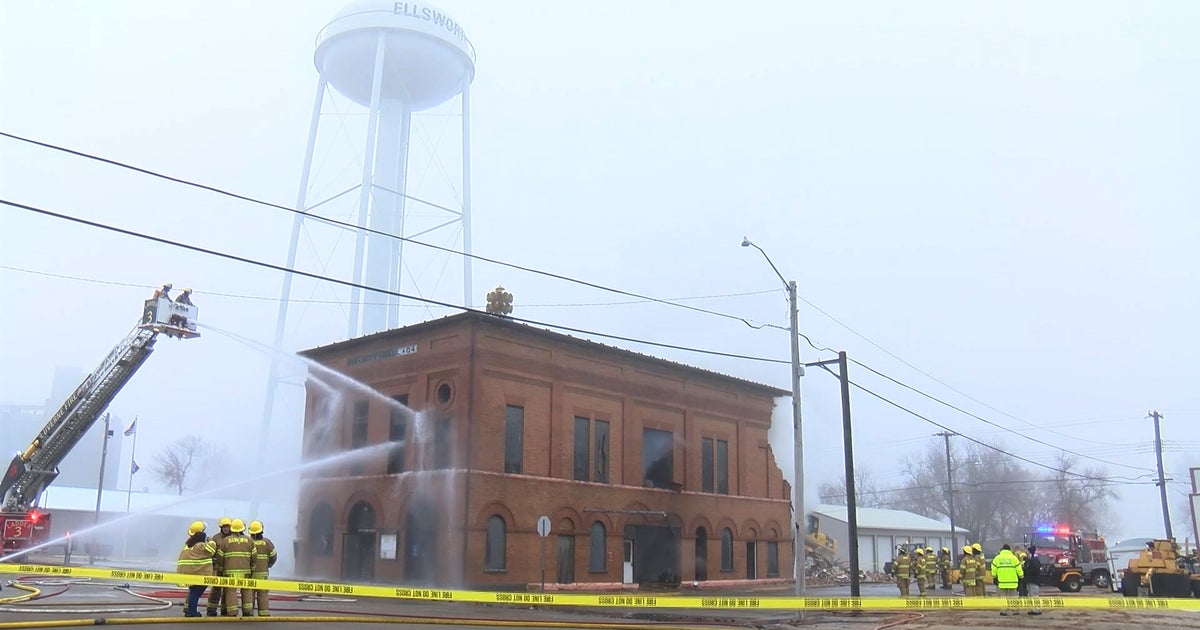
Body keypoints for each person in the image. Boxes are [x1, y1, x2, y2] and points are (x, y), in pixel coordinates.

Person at [215, 519, 257, 617]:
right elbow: (254, 557)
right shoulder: (249, 540)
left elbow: (220, 557)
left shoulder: (226, 540)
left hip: (230, 572)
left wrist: (220, 568)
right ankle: (247, 612)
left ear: (232, 529)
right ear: (243, 528)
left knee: (231, 592)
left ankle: (232, 612)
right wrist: (252, 567)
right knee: (246, 591)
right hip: (246, 571)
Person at [176, 529, 216, 617]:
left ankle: (190, 611)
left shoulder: (188, 546)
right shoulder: (200, 545)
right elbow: (211, 550)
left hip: (189, 574)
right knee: (195, 593)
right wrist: (211, 540)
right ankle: (192, 612)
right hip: (199, 574)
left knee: (193, 592)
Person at [248, 520, 277, 617]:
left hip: (250, 573)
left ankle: (249, 613)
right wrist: (268, 565)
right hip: (263, 574)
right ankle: (263, 614)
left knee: (249, 594)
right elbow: (273, 557)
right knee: (263, 594)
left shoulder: (249, 542)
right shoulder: (267, 542)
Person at [206, 517, 233, 616]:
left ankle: (224, 609)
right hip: (218, 567)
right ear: (221, 528)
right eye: (224, 527)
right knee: (216, 590)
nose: (226, 529)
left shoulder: (233, 538)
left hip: (229, 568)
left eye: (227, 527)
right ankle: (211, 609)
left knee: (228, 591)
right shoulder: (215, 538)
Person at [991, 544, 1024, 616]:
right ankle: (1015, 611)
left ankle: (1003, 611)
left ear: (1002, 549)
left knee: (1003, 597)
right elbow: (1019, 569)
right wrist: (1021, 577)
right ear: (1009, 550)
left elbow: (993, 569)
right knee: (1013, 597)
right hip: (1013, 582)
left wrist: (994, 577)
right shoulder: (1014, 558)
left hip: (1002, 582)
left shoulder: (997, 558)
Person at [1024, 545, 1043, 615]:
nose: (1026, 553)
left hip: (1034, 581)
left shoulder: (1034, 560)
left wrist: (1027, 570)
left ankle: (1037, 610)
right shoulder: (1029, 560)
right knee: (1031, 596)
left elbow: (1036, 570)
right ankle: (1033, 609)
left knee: (1034, 596)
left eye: (1027, 552)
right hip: (1030, 581)